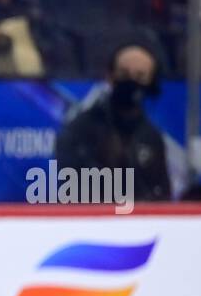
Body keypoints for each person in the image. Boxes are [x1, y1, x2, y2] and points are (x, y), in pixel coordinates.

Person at [55, 42, 172, 203]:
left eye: (140, 77)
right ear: (110, 76)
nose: (132, 82)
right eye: (124, 74)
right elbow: (70, 192)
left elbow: (162, 197)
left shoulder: (151, 137)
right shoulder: (80, 130)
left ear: (151, 83)